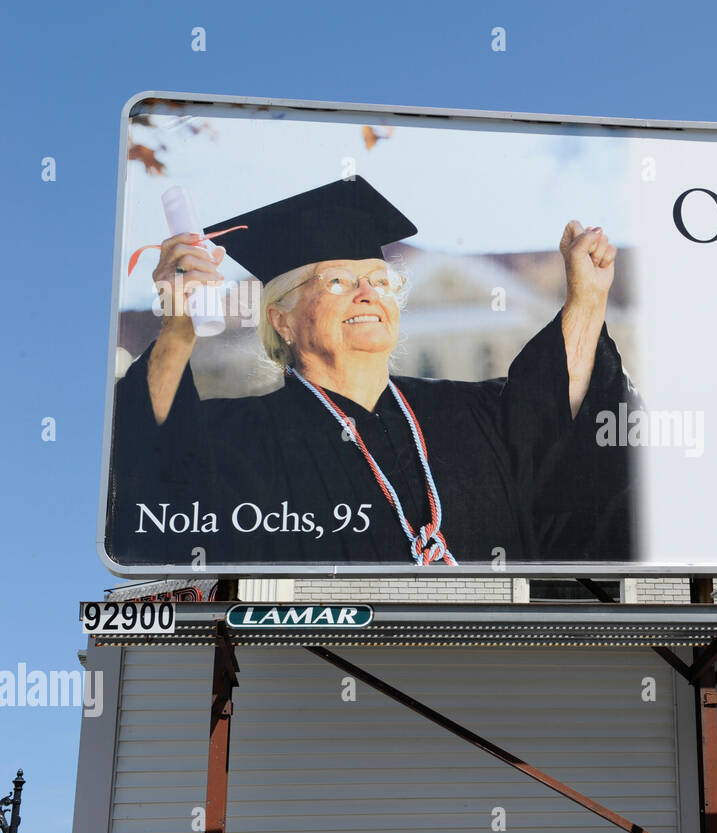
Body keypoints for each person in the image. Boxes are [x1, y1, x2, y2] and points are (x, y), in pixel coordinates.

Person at [106, 177, 638, 568]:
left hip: (494, 670)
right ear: (282, 319)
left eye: (380, 282)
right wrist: (179, 327)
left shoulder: (469, 413)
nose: (368, 294)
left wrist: (586, 299)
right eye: (337, 281)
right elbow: (156, 455)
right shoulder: (239, 438)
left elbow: (556, 416)